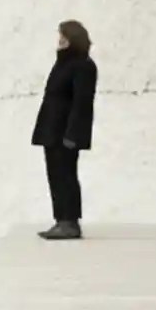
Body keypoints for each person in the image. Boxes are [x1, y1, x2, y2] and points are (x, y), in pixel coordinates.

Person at [31, 20, 97, 240]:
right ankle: (61, 219)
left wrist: (73, 134)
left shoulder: (83, 65)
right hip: (52, 130)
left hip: (65, 133)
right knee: (55, 175)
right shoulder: (63, 63)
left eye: (64, 37)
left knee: (66, 175)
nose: (60, 40)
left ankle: (70, 221)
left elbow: (82, 103)